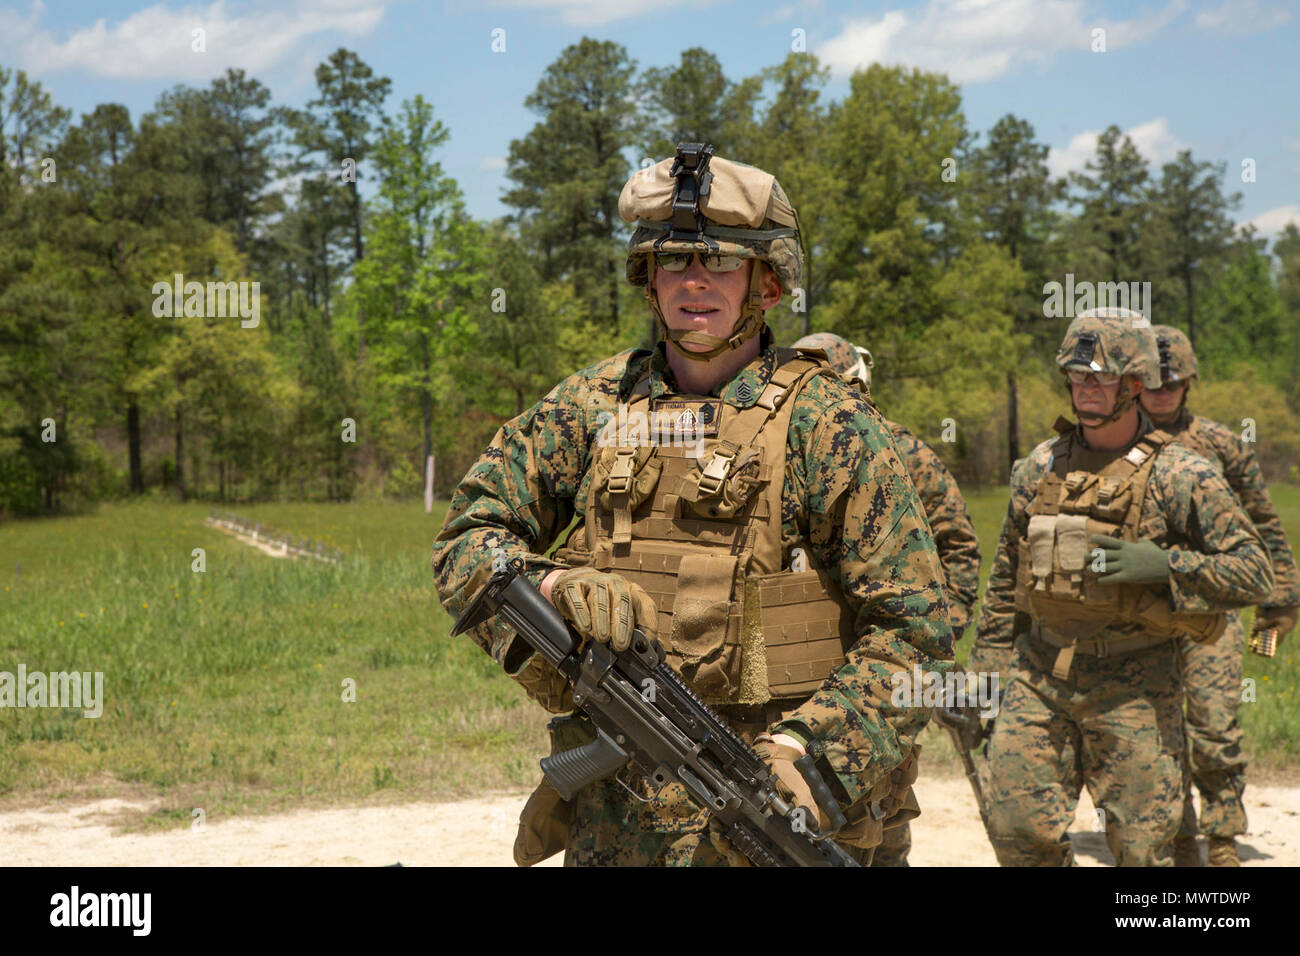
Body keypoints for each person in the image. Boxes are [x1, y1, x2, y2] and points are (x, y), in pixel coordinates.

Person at [432, 143, 953, 866]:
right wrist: (553, 586)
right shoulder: (592, 406)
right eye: (675, 262)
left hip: (765, 829)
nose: (695, 281)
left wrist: (809, 756)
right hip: (615, 830)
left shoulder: (827, 424)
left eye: (721, 262)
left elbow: (917, 632)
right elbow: (467, 538)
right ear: (649, 282)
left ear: (766, 285)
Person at [969, 307, 1274, 866]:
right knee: (1017, 832)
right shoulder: (1037, 468)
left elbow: (1255, 570)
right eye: (1078, 374)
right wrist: (983, 674)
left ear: (1134, 385)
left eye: (1101, 376)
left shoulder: (1181, 474)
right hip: (1041, 673)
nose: (1086, 386)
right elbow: (1006, 581)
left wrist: (1163, 564)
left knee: (1141, 853)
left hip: (1136, 683)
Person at [792, 331, 981, 866]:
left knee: (882, 802)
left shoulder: (902, 450)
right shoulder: (788, 446)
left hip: (884, 665)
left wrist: (930, 638)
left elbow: (960, 549)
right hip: (807, 664)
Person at [1139, 325, 1300, 867]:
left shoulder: (1221, 443)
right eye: (1152, 382)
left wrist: (1280, 603)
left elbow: (1263, 522)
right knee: (1157, 729)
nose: (1162, 393)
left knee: (1214, 725)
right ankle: (1179, 836)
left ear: (1190, 383)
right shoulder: (1118, 442)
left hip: (1215, 607)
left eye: (1173, 383)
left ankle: (1224, 836)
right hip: (1142, 611)